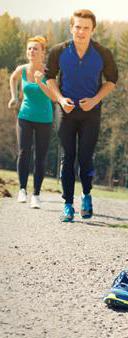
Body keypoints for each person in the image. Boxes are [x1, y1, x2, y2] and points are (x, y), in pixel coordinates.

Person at [45, 9, 118, 222]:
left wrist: (95, 100)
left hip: (90, 113)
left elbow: (112, 80)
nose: (81, 31)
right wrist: (59, 99)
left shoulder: (102, 53)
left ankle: (86, 195)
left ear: (92, 30)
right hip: (66, 111)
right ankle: (68, 204)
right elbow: (50, 77)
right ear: (71, 28)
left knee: (85, 158)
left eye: (86, 28)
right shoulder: (59, 51)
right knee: (67, 157)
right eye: (77, 27)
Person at [8, 36, 56, 209]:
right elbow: (12, 79)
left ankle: (36, 194)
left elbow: (54, 96)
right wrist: (14, 97)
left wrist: (39, 81)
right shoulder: (22, 69)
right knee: (23, 152)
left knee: (40, 157)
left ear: (43, 52)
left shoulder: (48, 71)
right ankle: (22, 189)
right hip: (25, 116)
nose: (31, 51)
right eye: (29, 48)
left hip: (44, 118)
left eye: (36, 49)